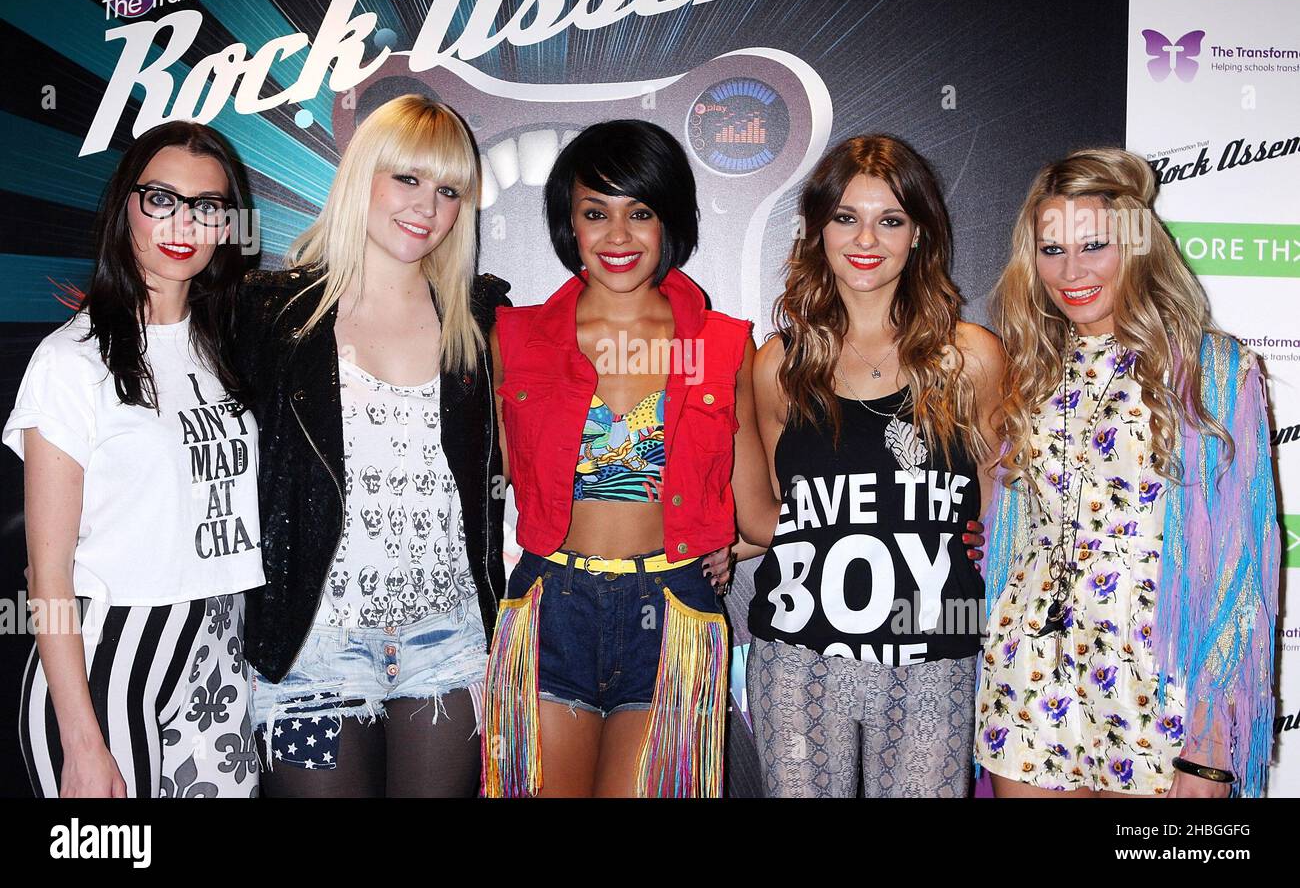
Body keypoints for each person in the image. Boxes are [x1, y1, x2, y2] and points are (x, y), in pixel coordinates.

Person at [482, 119, 778, 798]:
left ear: (667, 218)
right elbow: (481, 480)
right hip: (551, 604)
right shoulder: (515, 336)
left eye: (639, 212)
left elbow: (759, 516)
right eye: (596, 212)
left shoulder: (724, 344)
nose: (618, 236)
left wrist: (723, 542)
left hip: (672, 611)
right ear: (570, 224)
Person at [976, 147, 1279, 797]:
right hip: (1028, 682)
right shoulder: (1027, 369)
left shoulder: (1213, 373)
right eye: (1051, 249)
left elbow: (1238, 569)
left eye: (1094, 245)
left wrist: (1208, 743)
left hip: (1156, 695)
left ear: (1138, 246)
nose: (1071, 270)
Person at [234, 95, 511, 797]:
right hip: (310, 649)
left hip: (449, 646)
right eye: (408, 179)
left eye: (449, 190)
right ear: (363, 176)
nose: (427, 205)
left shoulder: (480, 320)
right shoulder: (271, 312)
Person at [6, 122, 263, 797]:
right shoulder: (70, 361)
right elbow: (48, 574)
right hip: (105, 663)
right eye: (161, 198)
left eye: (207, 206)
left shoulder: (229, 349)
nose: (184, 222)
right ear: (126, 207)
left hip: (218, 650)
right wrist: (82, 741)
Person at [745, 134, 1001, 797]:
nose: (867, 238)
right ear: (818, 231)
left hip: (936, 651)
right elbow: (777, 513)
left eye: (890, 219)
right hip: (799, 652)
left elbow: (1003, 511)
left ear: (919, 234)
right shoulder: (779, 363)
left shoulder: (971, 359)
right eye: (846, 217)